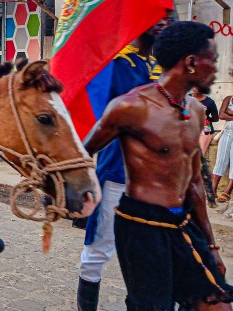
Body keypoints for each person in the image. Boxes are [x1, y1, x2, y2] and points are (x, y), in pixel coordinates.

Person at [85, 21, 233, 309]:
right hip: (141, 225)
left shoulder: (197, 111)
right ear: (191, 63)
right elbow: (81, 153)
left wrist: (212, 246)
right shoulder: (131, 107)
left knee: (218, 304)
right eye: (212, 61)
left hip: (184, 223)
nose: (216, 69)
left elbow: (193, 184)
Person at [75, 18, 167, 310]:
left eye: (167, 15)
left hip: (159, 179)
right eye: (154, 16)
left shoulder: (164, 65)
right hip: (119, 173)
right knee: (99, 250)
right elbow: (93, 118)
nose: (162, 21)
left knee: (151, 252)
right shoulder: (115, 63)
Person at [212, 95, 233, 200]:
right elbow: (221, 115)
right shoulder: (228, 98)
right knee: (220, 161)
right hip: (226, 133)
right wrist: (226, 113)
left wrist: (230, 112)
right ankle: (213, 189)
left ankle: (227, 192)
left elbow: (225, 114)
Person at [194, 87, 219, 155]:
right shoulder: (186, 98)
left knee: (199, 154)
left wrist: (206, 119)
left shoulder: (210, 102)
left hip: (205, 126)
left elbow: (216, 118)